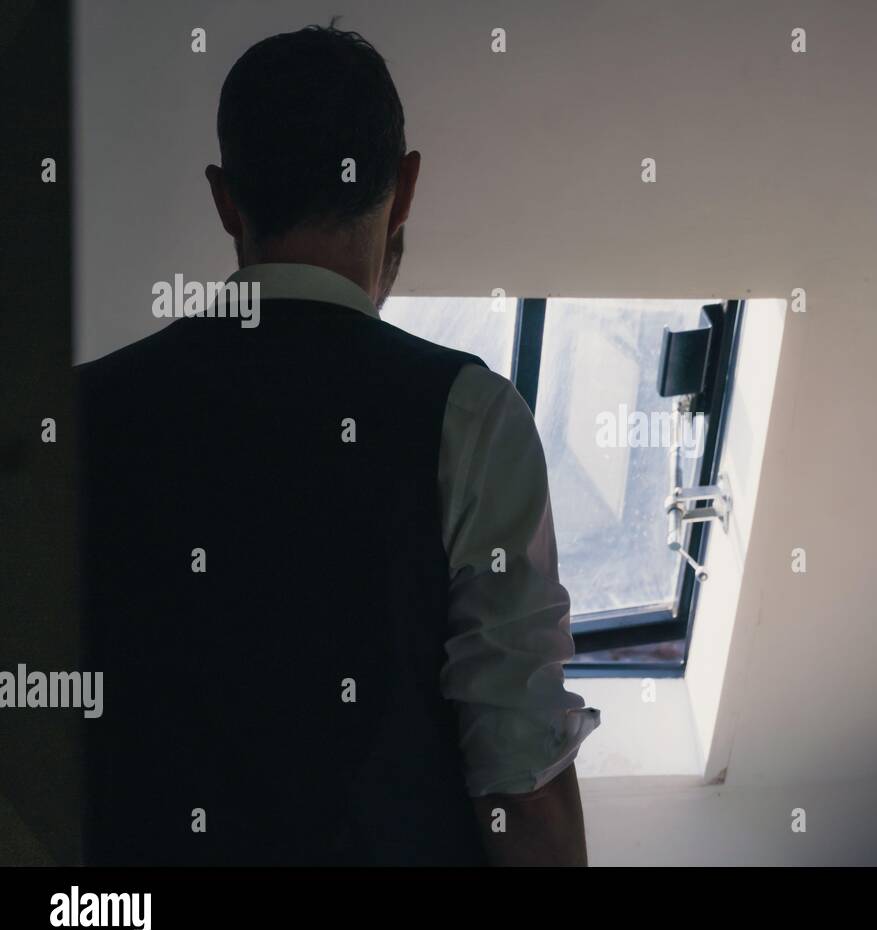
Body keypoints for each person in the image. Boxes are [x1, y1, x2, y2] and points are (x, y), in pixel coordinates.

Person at [77, 22, 598, 866]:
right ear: (408, 185)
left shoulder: (76, 415)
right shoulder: (470, 416)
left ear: (223, 197)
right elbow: (521, 782)